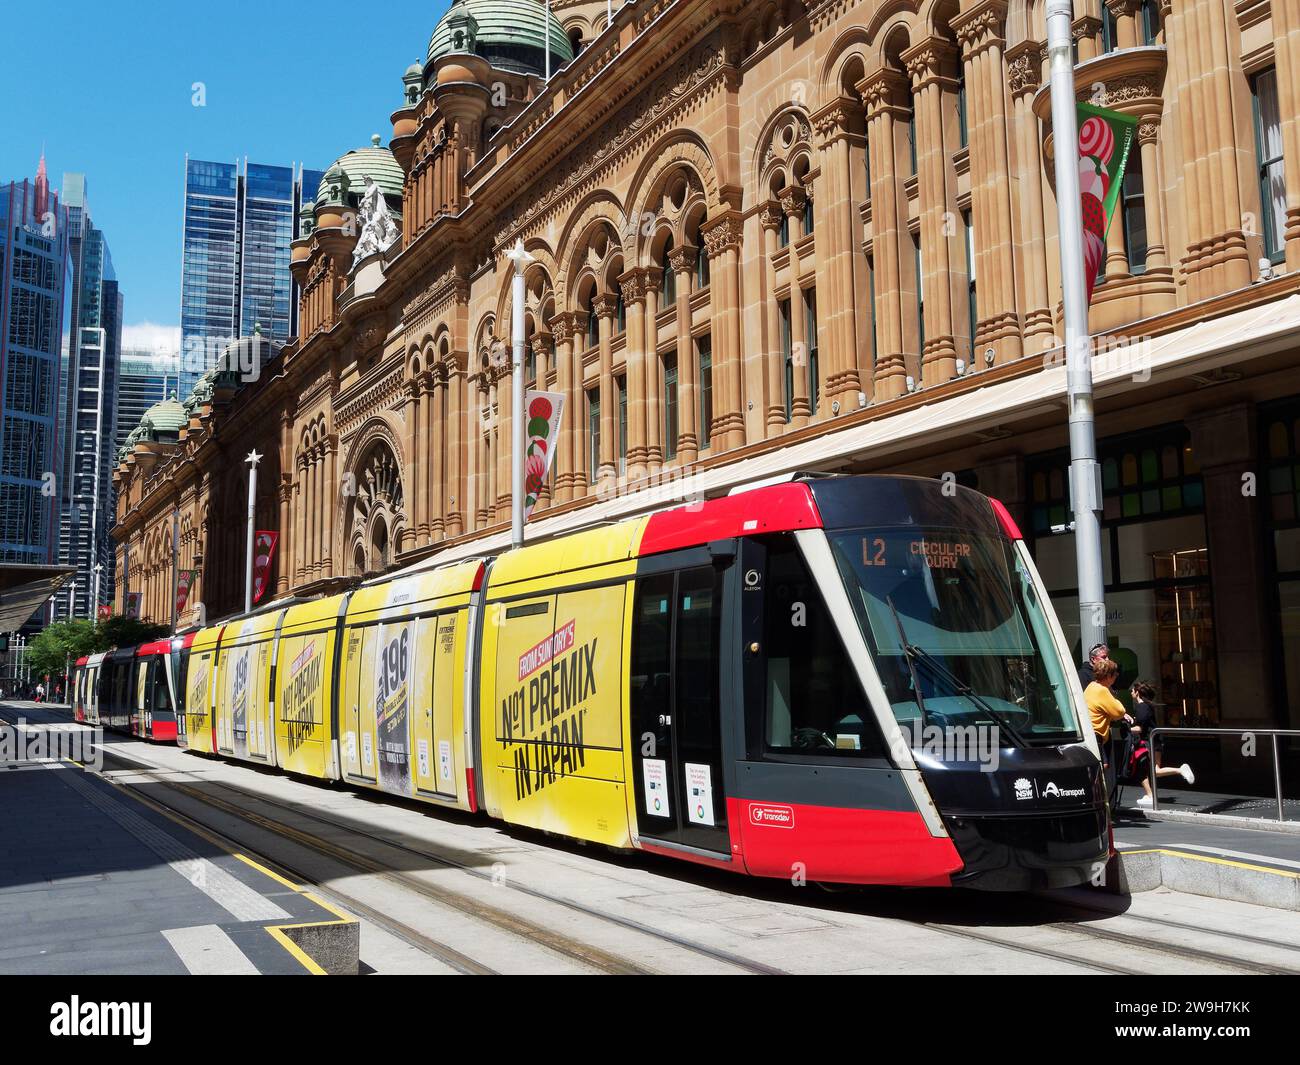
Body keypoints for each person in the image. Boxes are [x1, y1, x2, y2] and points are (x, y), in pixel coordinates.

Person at [1127, 679, 1194, 807]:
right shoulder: (1147, 707)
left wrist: (1127, 729)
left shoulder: (1141, 707)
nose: (1131, 692)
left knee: (1142, 771)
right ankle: (1180, 770)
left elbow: (1140, 728)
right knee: (1155, 771)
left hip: (1147, 742)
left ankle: (1150, 796)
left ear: (1137, 693)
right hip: (1156, 740)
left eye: (1132, 691)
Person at [1084, 658, 1130, 801]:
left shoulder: (1091, 686)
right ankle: (1100, 803)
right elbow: (1119, 711)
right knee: (1100, 771)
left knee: (1101, 766)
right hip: (1097, 735)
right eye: (1115, 675)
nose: (1116, 677)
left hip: (1092, 734)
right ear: (1109, 676)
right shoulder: (1102, 690)